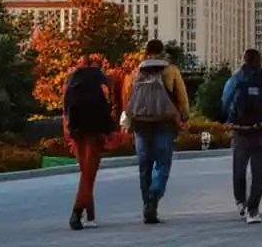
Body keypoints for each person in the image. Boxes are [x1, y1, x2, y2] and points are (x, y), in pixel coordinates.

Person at [122, 39, 190, 225]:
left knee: (144, 167)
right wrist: (184, 116)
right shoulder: (171, 71)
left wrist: (127, 120)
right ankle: (155, 194)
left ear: (146, 52)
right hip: (164, 124)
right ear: (162, 52)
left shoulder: (136, 72)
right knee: (162, 164)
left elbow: (128, 98)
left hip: (141, 125)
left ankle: (147, 207)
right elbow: (182, 97)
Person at [222, 49, 262, 224]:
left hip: (241, 130)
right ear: (259, 61)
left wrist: (228, 118)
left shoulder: (236, 79)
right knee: (258, 172)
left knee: (239, 168)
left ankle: (240, 201)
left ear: (244, 60)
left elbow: (225, 101)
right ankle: (253, 209)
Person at [63, 56, 115, 230]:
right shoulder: (103, 80)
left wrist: (69, 131)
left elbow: (65, 108)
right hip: (95, 131)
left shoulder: (72, 79)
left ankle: (90, 216)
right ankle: (76, 213)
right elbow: (110, 107)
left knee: (86, 173)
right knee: (88, 175)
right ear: (100, 65)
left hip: (77, 130)